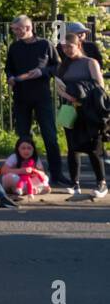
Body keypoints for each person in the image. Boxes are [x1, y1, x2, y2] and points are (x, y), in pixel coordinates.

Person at [5, 15, 72, 188]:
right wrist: (11, 78)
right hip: (21, 97)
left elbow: (57, 66)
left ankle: (57, 174)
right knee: (23, 138)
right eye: (14, 29)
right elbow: (9, 69)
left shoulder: (45, 45)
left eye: (17, 29)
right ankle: (24, 173)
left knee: (50, 136)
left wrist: (42, 72)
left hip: (42, 97)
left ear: (28, 28)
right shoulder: (14, 47)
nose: (15, 32)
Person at [56, 37, 109, 197]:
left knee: (94, 147)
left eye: (69, 46)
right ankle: (74, 183)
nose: (66, 50)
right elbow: (58, 86)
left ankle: (101, 183)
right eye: (64, 47)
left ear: (78, 45)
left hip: (90, 109)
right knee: (72, 147)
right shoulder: (63, 65)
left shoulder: (90, 62)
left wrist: (80, 93)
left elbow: (99, 86)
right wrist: (67, 95)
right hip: (70, 108)